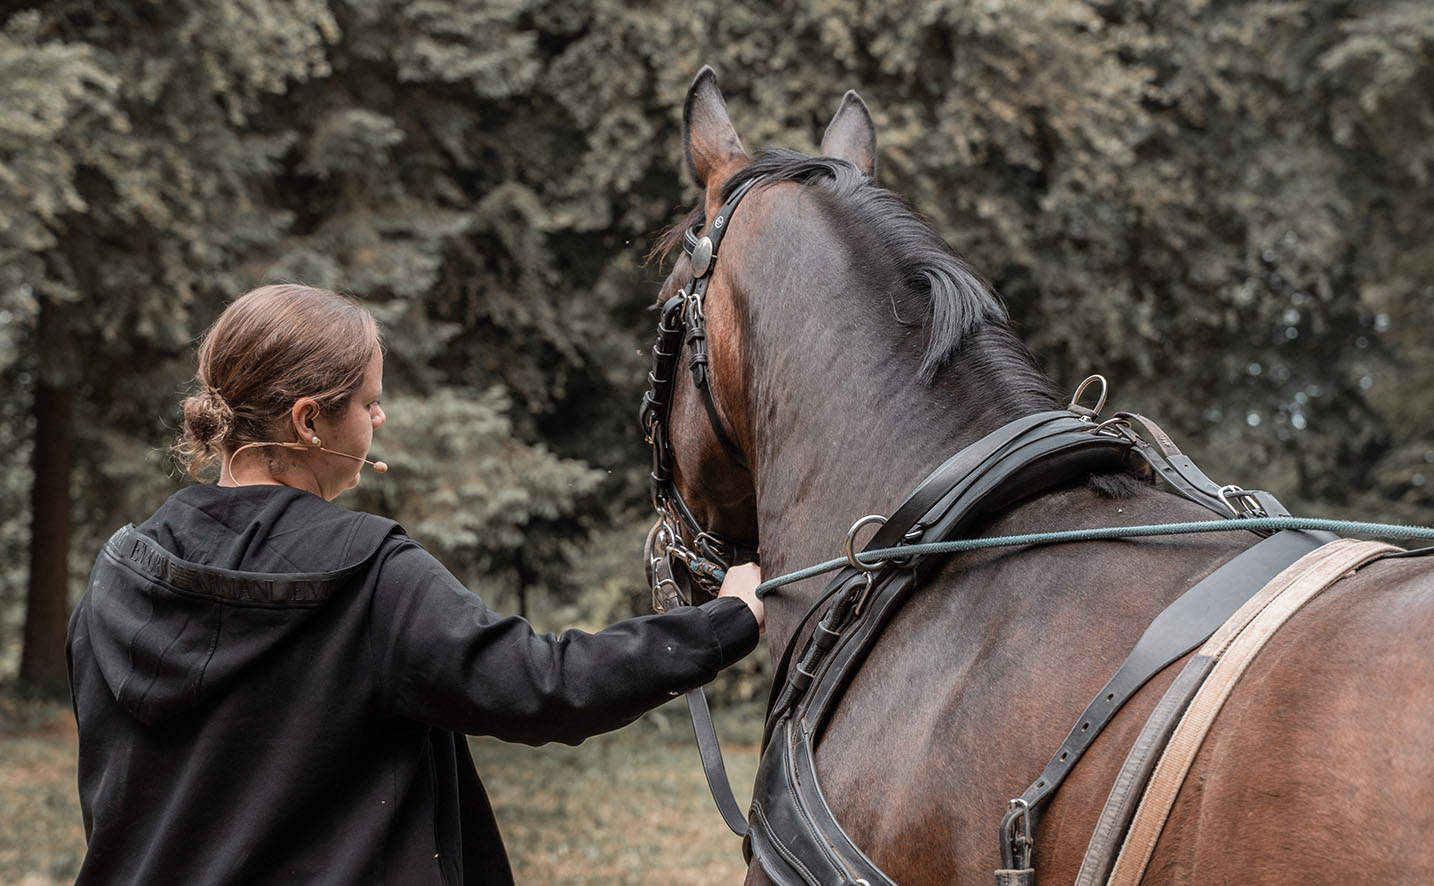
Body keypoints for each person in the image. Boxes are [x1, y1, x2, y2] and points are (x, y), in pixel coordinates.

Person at [66, 283, 764, 885]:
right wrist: (726, 620)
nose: (380, 418)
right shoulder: (368, 570)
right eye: (368, 402)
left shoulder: (118, 572)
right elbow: (545, 685)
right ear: (310, 421)